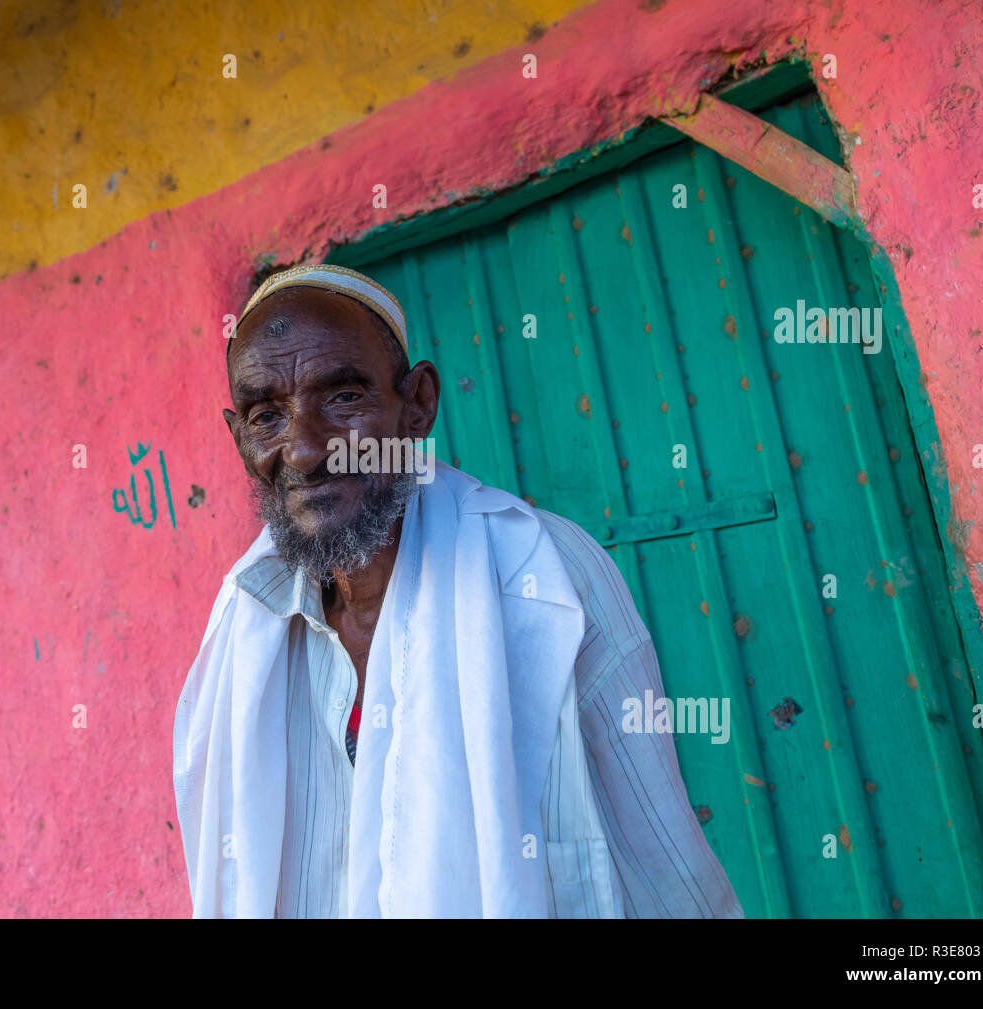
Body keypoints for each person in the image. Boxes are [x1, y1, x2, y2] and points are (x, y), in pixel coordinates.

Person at [173, 263, 743, 918]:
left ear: (417, 404)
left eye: (344, 398)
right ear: (239, 436)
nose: (303, 451)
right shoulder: (241, 628)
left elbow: (663, 864)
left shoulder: (545, 575)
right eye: (265, 415)